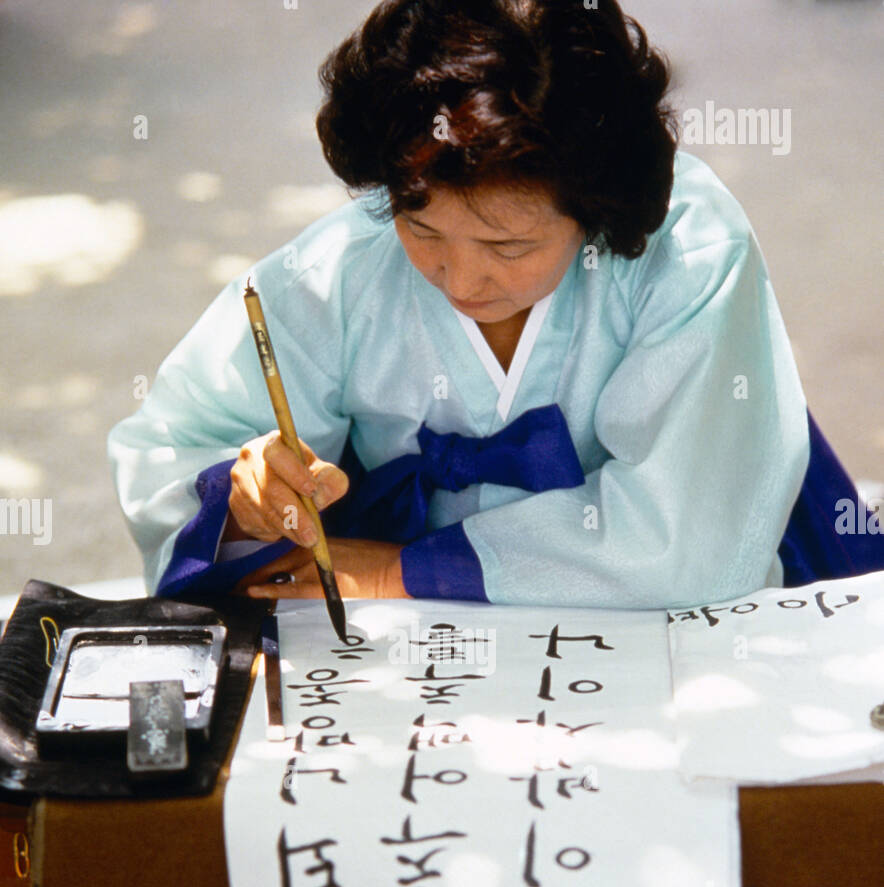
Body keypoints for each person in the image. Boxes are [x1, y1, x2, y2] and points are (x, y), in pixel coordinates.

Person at [108, 0, 883, 610]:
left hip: (653, 634)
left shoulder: (689, 250)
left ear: (595, 211)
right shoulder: (343, 268)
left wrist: (408, 570)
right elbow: (172, 443)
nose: (460, 280)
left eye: (509, 247)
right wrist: (244, 498)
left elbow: (694, 538)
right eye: (423, 228)